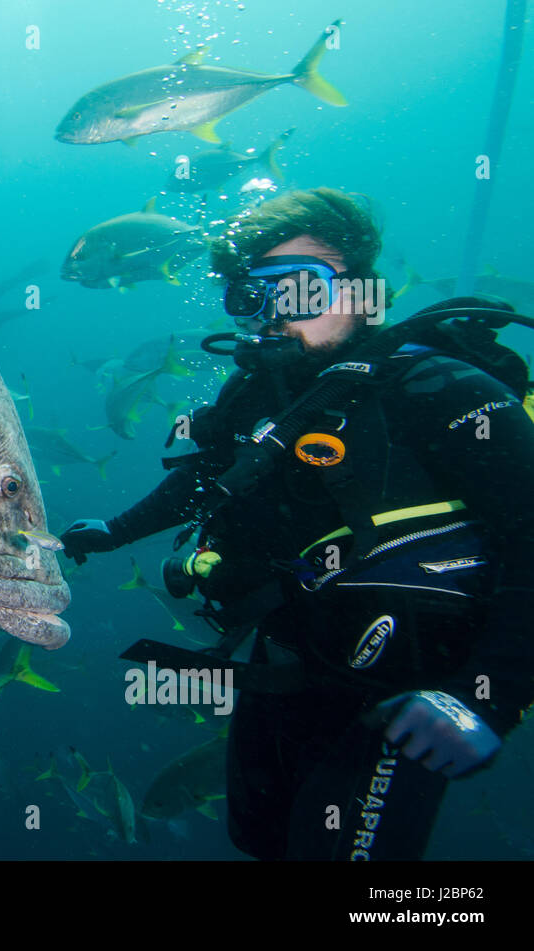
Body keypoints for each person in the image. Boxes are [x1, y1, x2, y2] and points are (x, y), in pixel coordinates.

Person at [61, 187, 534, 860]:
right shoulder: (254, 397)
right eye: (255, 296)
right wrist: (114, 529)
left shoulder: (441, 391)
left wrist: (490, 699)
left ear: (365, 291)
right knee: (258, 836)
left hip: (399, 698)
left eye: (303, 290)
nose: (277, 316)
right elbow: (206, 479)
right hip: (285, 667)